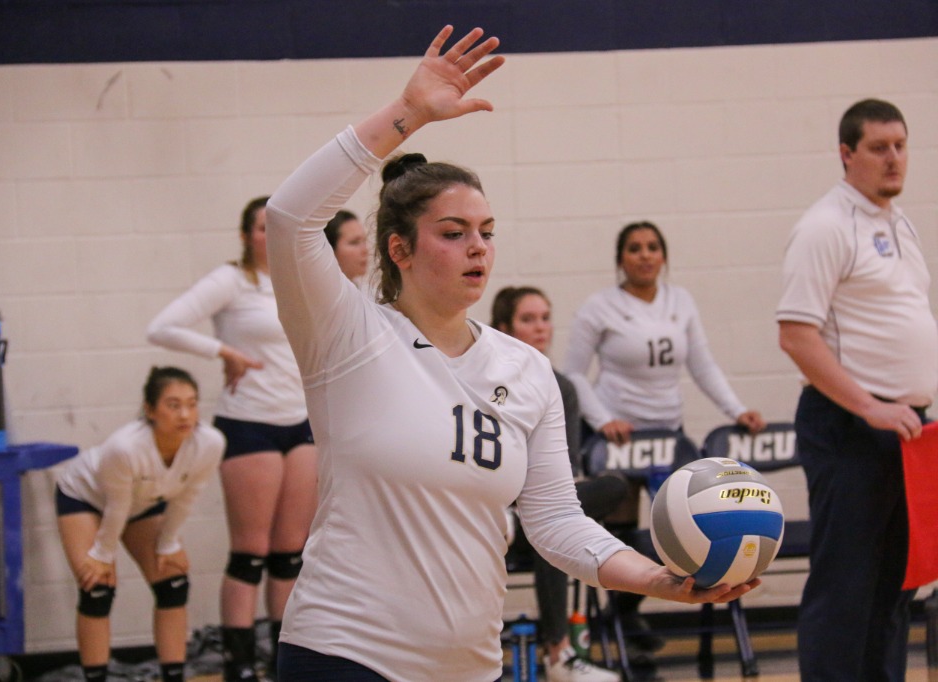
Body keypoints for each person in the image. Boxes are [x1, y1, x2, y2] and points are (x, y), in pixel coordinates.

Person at [263, 25, 757, 682]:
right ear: (399, 250)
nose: (478, 247)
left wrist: (656, 580)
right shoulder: (346, 332)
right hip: (345, 653)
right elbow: (289, 217)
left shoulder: (525, 370)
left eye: (487, 232)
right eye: (453, 232)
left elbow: (554, 521)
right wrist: (405, 114)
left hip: (469, 667)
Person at [777, 98, 936, 682]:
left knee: (897, 588)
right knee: (846, 589)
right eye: (878, 147)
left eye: (900, 145)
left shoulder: (900, 224)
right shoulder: (825, 226)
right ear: (847, 154)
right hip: (849, 426)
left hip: (907, 429)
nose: (893, 158)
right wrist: (870, 406)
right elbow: (796, 335)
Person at [563, 220, 766, 674]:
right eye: (634, 248)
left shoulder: (681, 301)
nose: (644, 255)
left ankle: (629, 619)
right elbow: (573, 373)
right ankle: (623, 622)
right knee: (621, 532)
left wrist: (737, 409)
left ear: (664, 256)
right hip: (619, 438)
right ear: (621, 259)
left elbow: (702, 364)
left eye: (653, 247)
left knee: (681, 529)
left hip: (668, 435)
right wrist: (602, 420)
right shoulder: (601, 307)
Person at [147, 197, 318, 680]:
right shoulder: (231, 281)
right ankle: (239, 664)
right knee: (250, 552)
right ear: (246, 235)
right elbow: (162, 327)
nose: (269, 236)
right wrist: (223, 350)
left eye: (276, 228)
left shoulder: (299, 278)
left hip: (300, 423)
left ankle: (285, 657)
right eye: (261, 228)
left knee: (291, 552)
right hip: (248, 423)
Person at [491, 286, 626, 682]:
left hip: (536, 504)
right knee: (546, 528)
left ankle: (559, 656)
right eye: (528, 320)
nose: (540, 328)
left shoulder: (561, 386)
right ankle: (558, 653)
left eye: (545, 318)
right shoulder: (481, 379)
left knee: (609, 488)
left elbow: (563, 472)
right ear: (503, 328)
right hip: (489, 500)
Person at [55, 366, 225, 682]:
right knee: (97, 587)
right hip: (86, 497)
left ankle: (173, 675)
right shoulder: (125, 447)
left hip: (141, 502)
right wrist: (102, 557)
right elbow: (116, 508)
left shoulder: (210, 442)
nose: (185, 414)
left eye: (192, 403)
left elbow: (187, 497)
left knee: (173, 580)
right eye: (173, 405)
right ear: (149, 410)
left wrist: (168, 543)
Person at [324, 209, 369, 282]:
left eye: (364, 241)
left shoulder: (367, 290)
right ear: (330, 249)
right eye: (354, 242)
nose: (365, 250)